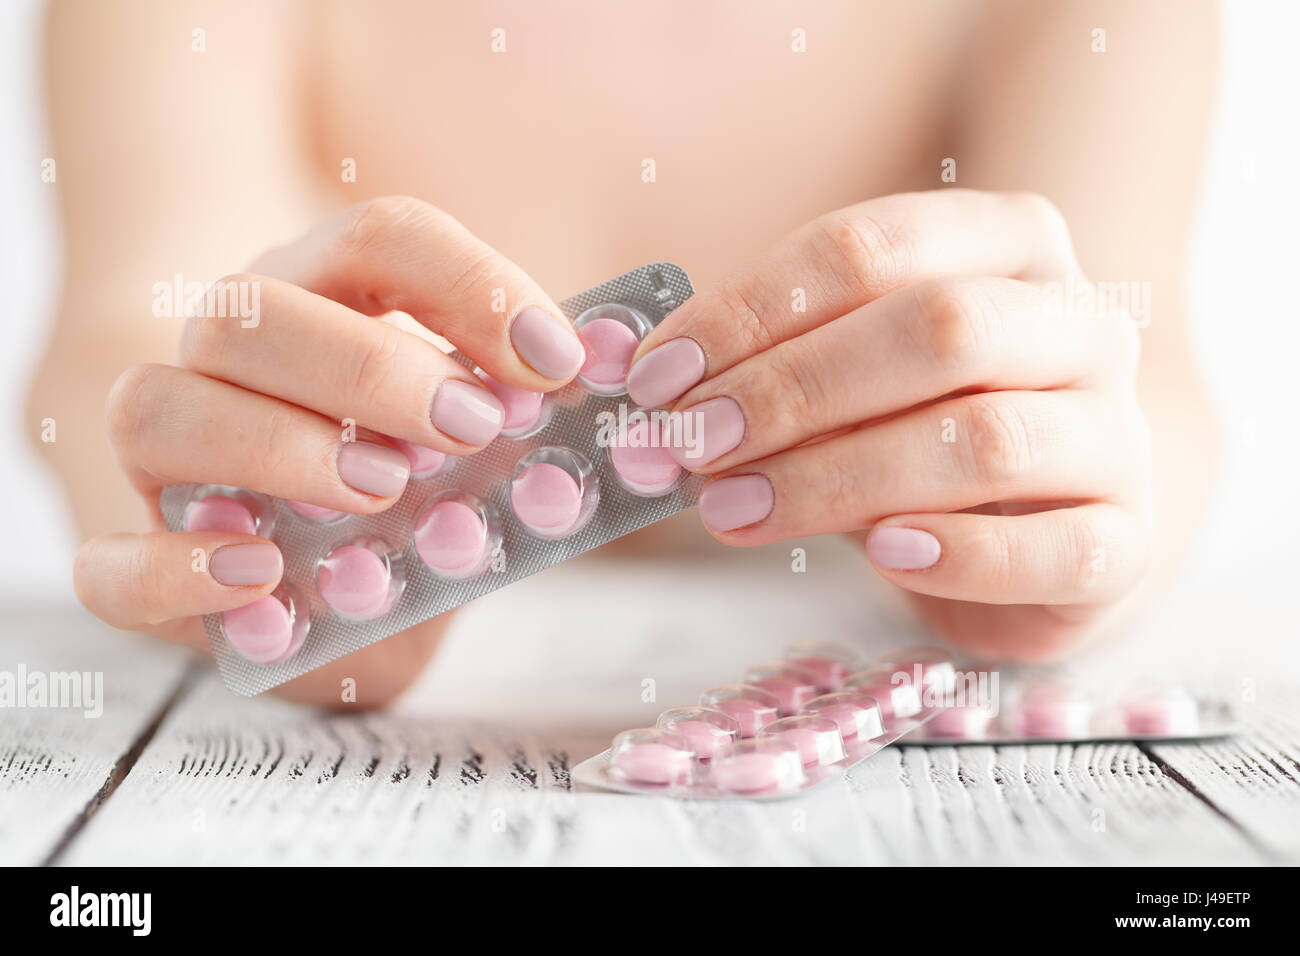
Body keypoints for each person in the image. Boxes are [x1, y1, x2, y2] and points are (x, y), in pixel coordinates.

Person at [28, 1, 1218, 707]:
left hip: (852, 651)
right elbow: (126, 335)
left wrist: (1077, 508)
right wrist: (225, 518)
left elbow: (1138, 348)